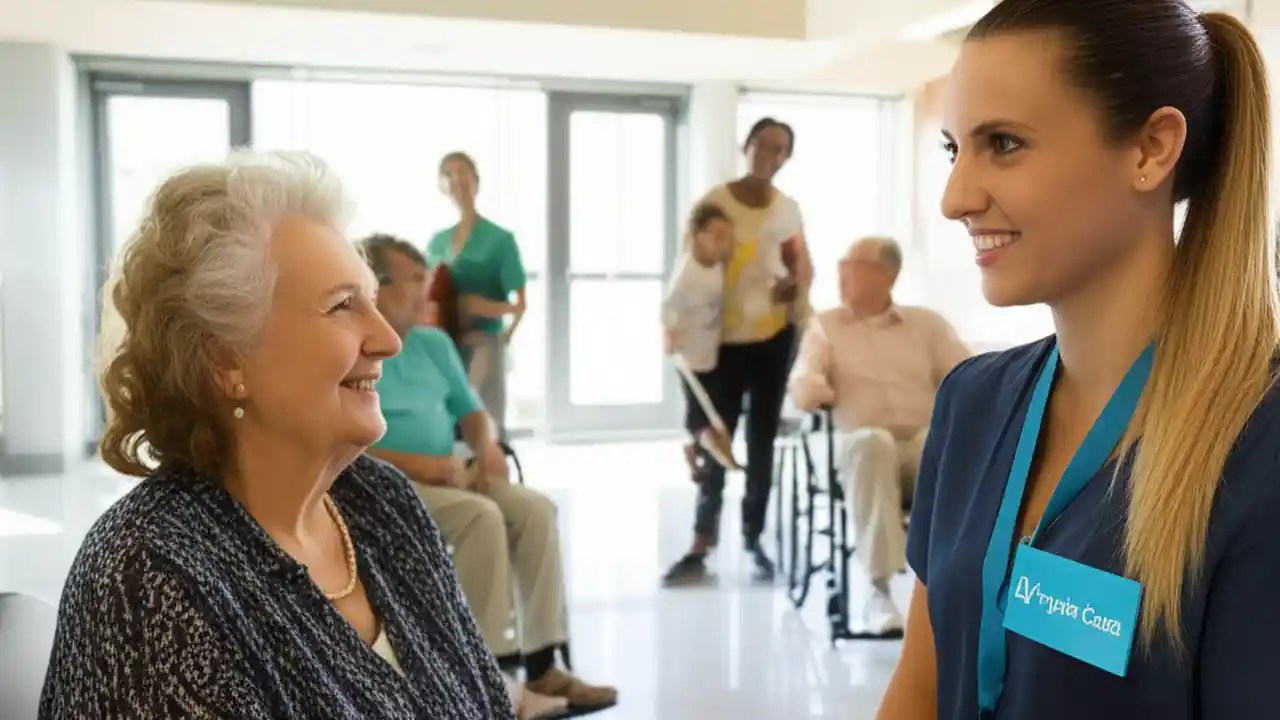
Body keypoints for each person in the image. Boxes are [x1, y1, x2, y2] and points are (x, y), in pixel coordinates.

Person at [881, 2, 1280, 718]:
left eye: (1003, 143)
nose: (955, 197)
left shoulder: (1258, 446)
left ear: (1151, 150)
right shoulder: (973, 403)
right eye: (953, 149)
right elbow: (918, 689)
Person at [40, 152, 513, 718]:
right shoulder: (150, 577)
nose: (388, 338)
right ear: (225, 363)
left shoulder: (380, 499)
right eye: (342, 305)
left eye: (371, 298)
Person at [360, 233, 618, 717]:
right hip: (390, 486)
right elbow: (348, 445)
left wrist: (485, 442)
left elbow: (473, 411)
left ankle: (543, 661)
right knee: (482, 518)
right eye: (416, 279)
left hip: (453, 473)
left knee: (535, 509)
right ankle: (486, 675)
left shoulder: (433, 343)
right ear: (375, 285)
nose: (427, 289)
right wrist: (426, 466)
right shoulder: (359, 348)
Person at [789, 236, 969, 634]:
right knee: (874, 442)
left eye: (851, 263)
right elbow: (803, 382)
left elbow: (969, 375)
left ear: (887, 274)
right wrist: (814, 385)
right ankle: (879, 591)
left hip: (916, 449)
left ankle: (949, 585)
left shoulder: (926, 325)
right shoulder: (826, 327)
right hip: (855, 447)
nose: (840, 271)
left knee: (935, 445)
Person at [662, 117, 814, 585]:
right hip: (721, 342)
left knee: (763, 442)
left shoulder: (787, 208)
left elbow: (798, 262)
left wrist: (794, 287)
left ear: (787, 157)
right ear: (745, 146)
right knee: (715, 439)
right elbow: (690, 264)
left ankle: (753, 538)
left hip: (772, 339)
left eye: (780, 149)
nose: (770, 155)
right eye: (763, 145)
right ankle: (701, 541)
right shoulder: (715, 202)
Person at [428, 151, 527, 439]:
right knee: (448, 415)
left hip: (485, 340)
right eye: (448, 173)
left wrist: (488, 314)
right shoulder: (437, 242)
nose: (456, 179)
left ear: (476, 181)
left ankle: (493, 473)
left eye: (463, 172)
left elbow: (520, 305)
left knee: (481, 413)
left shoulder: (500, 240)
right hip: (446, 341)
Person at [661, 201, 739, 480]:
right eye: (717, 237)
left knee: (714, 404)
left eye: (726, 237)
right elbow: (668, 306)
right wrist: (669, 332)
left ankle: (694, 452)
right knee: (701, 410)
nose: (723, 243)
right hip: (688, 354)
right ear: (698, 236)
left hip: (712, 350)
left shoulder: (719, 266)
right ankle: (717, 449)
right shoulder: (687, 270)